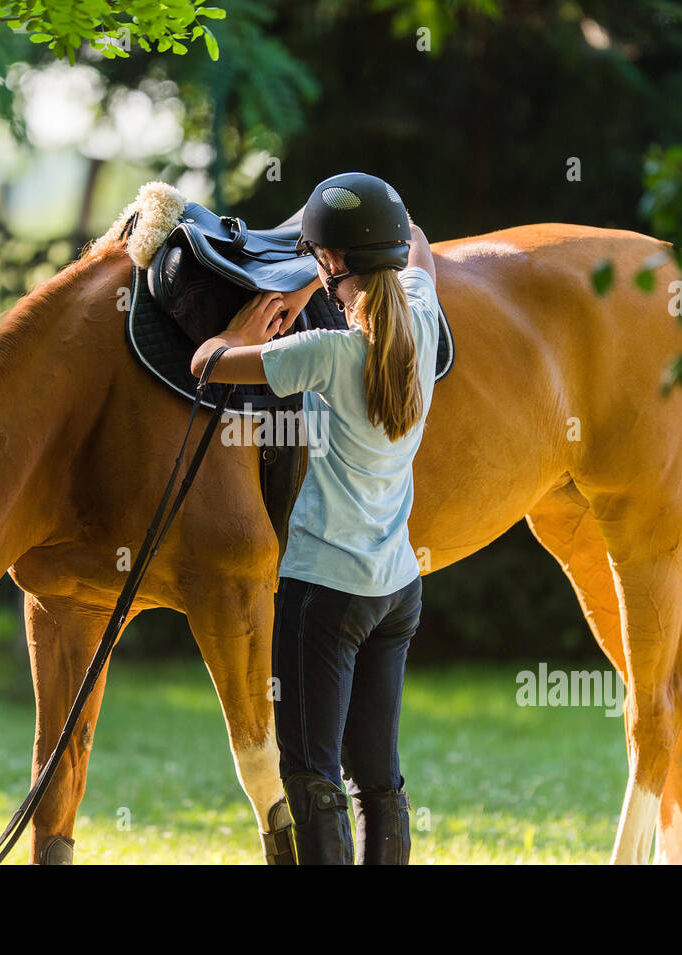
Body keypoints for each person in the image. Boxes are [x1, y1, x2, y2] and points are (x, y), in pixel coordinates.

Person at [189, 172, 439, 865]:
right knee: (378, 778)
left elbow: (208, 364)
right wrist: (346, 249)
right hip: (396, 592)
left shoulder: (326, 353)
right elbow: (416, 241)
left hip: (322, 594)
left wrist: (247, 323)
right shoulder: (419, 314)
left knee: (311, 774)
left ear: (331, 266)